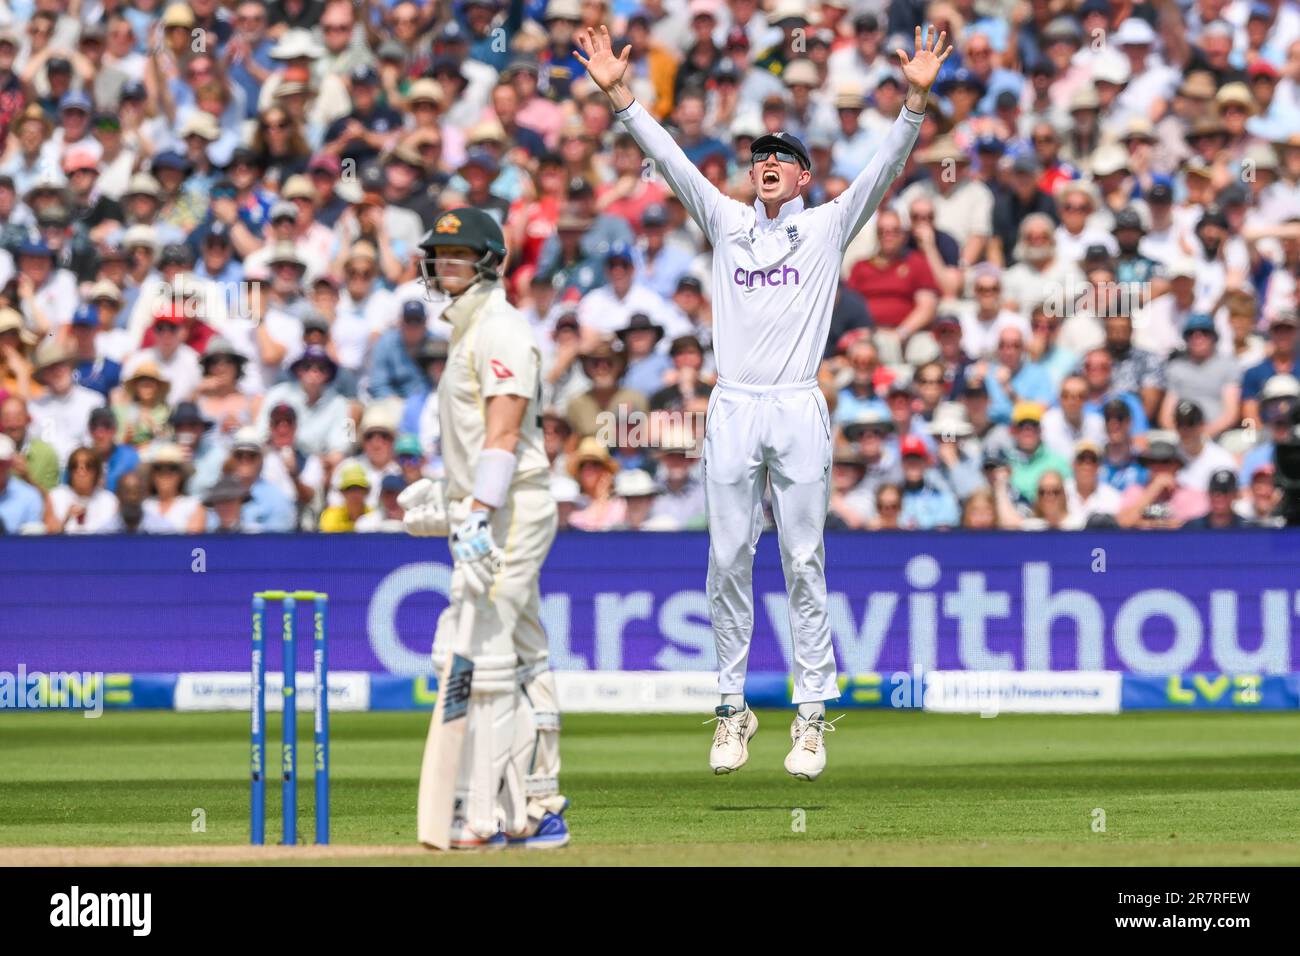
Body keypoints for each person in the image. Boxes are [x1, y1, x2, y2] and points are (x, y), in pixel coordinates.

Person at [576, 22, 952, 781]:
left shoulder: (826, 227)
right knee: (726, 558)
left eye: (783, 159)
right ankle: (730, 705)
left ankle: (811, 716)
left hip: (797, 403)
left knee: (804, 558)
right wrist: (620, 97)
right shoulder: (724, 220)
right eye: (760, 159)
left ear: (806, 178)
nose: (769, 165)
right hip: (734, 403)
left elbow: (886, 167)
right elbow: (670, 160)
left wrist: (914, 101)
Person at [400, 206, 568, 849]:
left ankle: (487, 814)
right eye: (439, 257)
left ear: (488, 261)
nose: (445, 267)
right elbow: (476, 445)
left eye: (458, 256)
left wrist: (476, 510)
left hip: (513, 508)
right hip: (486, 507)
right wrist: (444, 497)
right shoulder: (466, 334)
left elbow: (504, 432)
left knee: (486, 650)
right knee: (520, 650)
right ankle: (535, 806)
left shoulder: (501, 328)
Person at [44, 446, 119, 534]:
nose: (81, 472)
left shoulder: (109, 500)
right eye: (75, 466)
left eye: (88, 466)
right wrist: (66, 519)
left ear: (97, 472)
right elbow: (48, 538)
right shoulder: (55, 497)